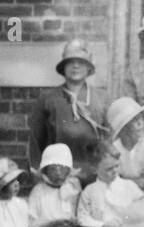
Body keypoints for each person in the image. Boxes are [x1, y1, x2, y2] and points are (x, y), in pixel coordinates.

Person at [28, 39, 109, 185]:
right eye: (70, 61)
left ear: (89, 67)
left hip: (94, 178)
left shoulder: (102, 98)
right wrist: (39, 175)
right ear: (64, 66)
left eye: (81, 61)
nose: (76, 65)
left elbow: (110, 141)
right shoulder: (48, 99)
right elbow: (35, 141)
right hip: (57, 177)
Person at [27, 143, 81, 227]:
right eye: (54, 168)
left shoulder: (71, 189)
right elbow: (31, 225)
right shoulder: (38, 192)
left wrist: (73, 222)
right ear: (45, 170)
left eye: (63, 168)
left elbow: (78, 215)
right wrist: (53, 222)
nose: (58, 173)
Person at [108, 97, 144, 209]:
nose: (140, 123)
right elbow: (113, 179)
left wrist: (124, 182)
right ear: (123, 128)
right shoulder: (115, 148)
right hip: (123, 195)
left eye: (140, 118)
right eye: (133, 120)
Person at [76, 150, 122, 227]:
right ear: (96, 170)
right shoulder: (90, 191)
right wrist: (103, 225)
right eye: (108, 169)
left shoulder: (126, 187)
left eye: (116, 166)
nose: (114, 171)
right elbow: (82, 218)